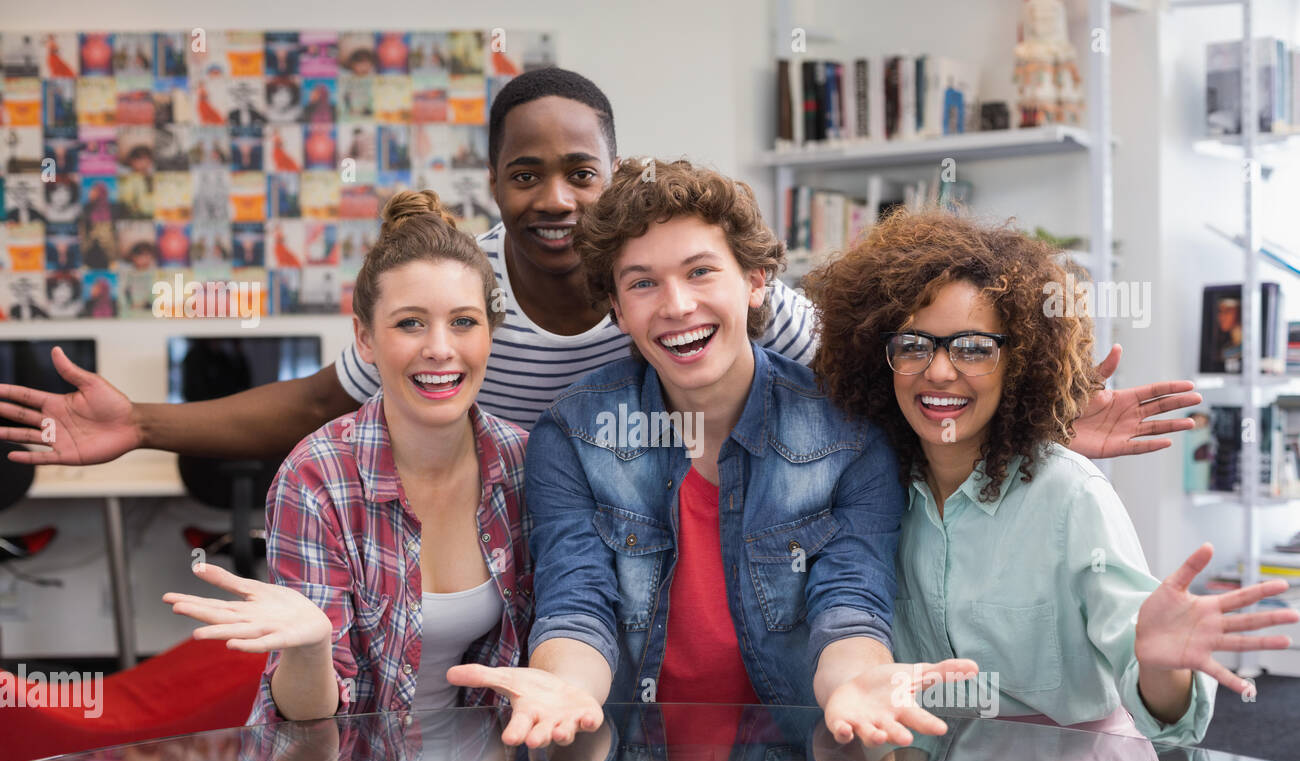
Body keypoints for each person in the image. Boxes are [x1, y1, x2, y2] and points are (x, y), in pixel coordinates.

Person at [2, 68, 1187, 459]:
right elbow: (318, 402)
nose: (556, 196)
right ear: (494, 187)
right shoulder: (463, 311)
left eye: (580, 170)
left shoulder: (707, 296)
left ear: (615, 177)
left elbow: (885, 380)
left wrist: (1027, 425)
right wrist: (143, 423)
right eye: (527, 173)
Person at [445, 159, 981, 761]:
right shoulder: (574, 435)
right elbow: (579, 606)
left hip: (790, 747)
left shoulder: (849, 434)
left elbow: (849, 601)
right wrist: (563, 687)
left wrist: (854, 681)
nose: (675, 305)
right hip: (631, 749)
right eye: (642, 283)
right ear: (616, 304)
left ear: (756, 280)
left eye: (701, 272)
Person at [806, 208, 1295, 750]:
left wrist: (1161, 665)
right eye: (914, 346)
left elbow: (1171, 715)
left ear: (1019, 363)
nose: (940, 371)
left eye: (973, 348)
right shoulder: (873, 493)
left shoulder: (1070, 494)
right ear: (880, 359)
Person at [162, 190, 551, 761]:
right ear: (366, 338)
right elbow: (310, 723)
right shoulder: (317, 477)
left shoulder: (523, 465)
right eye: (409, 324)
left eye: (463, 322)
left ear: (490, 332)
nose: (440, 349)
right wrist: (311, 646)